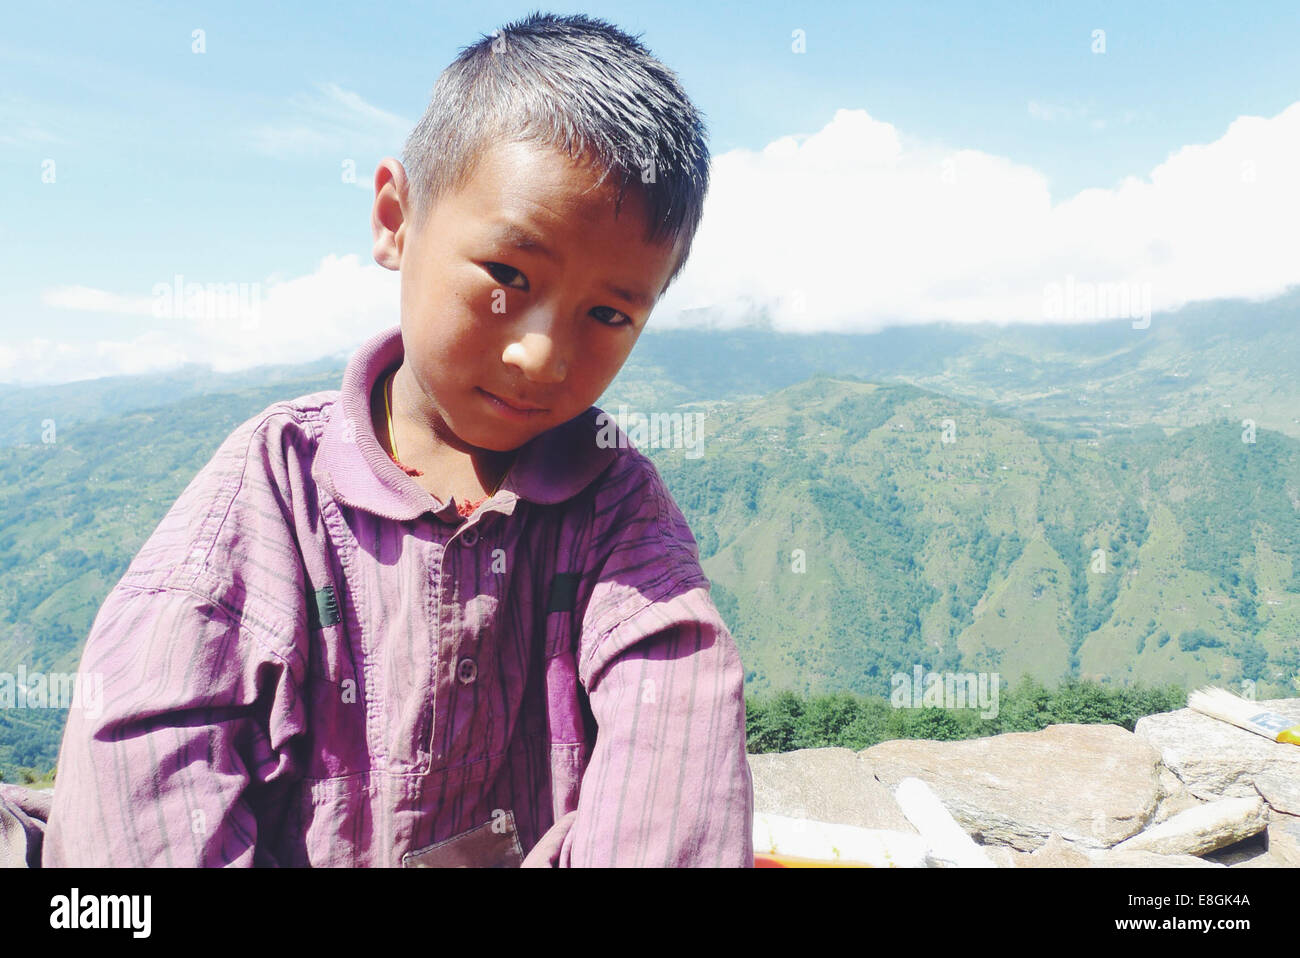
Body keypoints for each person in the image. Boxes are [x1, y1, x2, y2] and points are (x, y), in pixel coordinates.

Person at [39, 11, 753, 867]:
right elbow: (140, 783)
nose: (540, 354)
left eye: (607, 313)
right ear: (395, 219)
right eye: (508, 275)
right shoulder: (275, 485)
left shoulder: (620, 515)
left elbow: (676, 755)